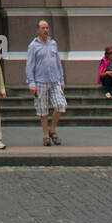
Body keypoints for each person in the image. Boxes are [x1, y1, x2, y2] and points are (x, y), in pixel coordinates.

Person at [25, 18, 67, 146]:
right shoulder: (33, 46)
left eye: (47, 28)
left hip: (54, 80)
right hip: (40, 81)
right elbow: (29, 65)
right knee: (42, 109)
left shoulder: (53, 43)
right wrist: (31, 83)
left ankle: (52, 129)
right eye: (43, 28)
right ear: (38, 30)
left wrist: (62, 80)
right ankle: (46, 135)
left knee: (61, 105)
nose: (45, 30)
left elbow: (58, 62)